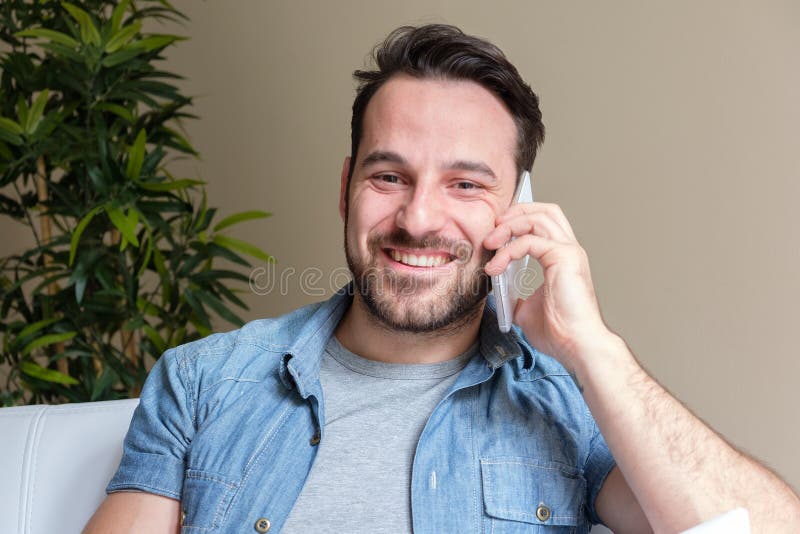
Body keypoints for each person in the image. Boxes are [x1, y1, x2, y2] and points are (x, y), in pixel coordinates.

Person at [86, 24, 800, 533]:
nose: (419, 217)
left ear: (518, 210)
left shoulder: (570, 407)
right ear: (346, 187)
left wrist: (595, 350)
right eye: (389, 175)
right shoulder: (202, 382)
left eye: (464, 184)